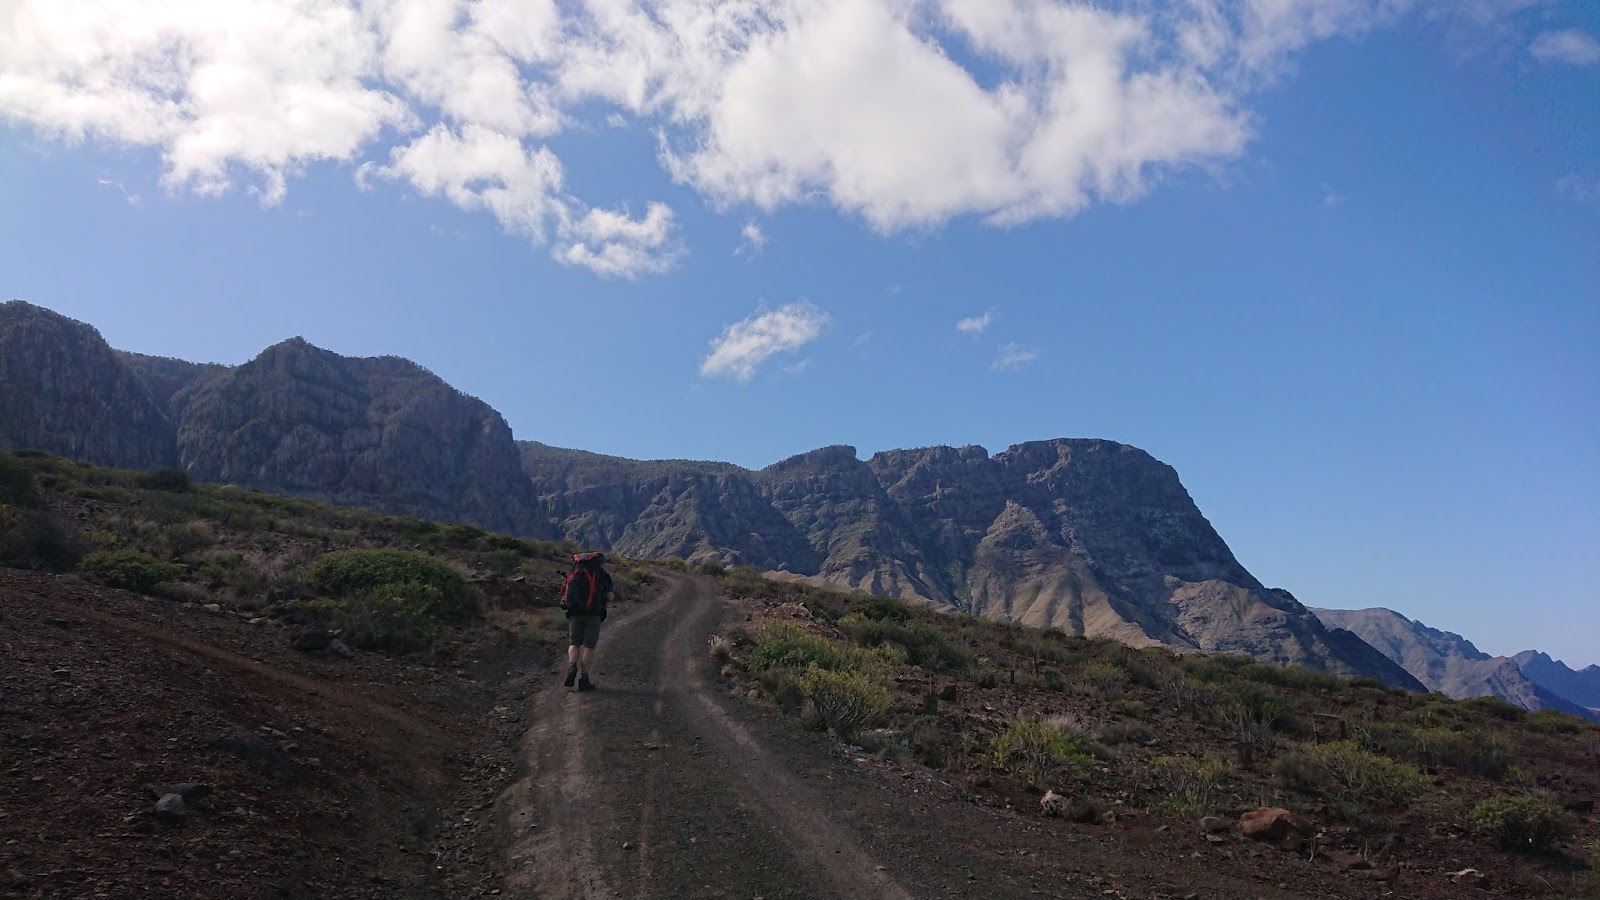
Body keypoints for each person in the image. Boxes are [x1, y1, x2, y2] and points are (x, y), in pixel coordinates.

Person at [561, 552, 614, 691]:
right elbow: (610, 597)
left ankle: (572, 664)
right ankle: (584, 679)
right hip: (593, 614)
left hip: (574, 613)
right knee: (589, 647)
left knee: (574, 643)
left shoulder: (575, 572)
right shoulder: (602, 575)